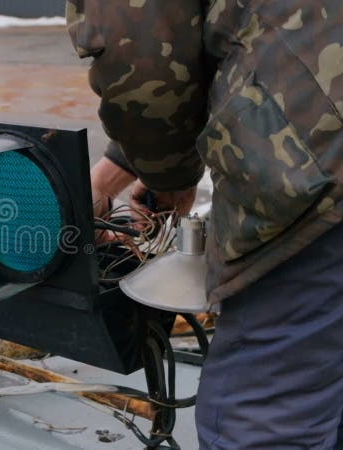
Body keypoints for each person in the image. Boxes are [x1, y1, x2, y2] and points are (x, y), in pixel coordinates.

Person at [67, 1, 343, 448]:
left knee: (263, 416)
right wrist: (117, 171)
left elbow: (141, 49)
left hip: (320, 163)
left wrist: (168, 176)